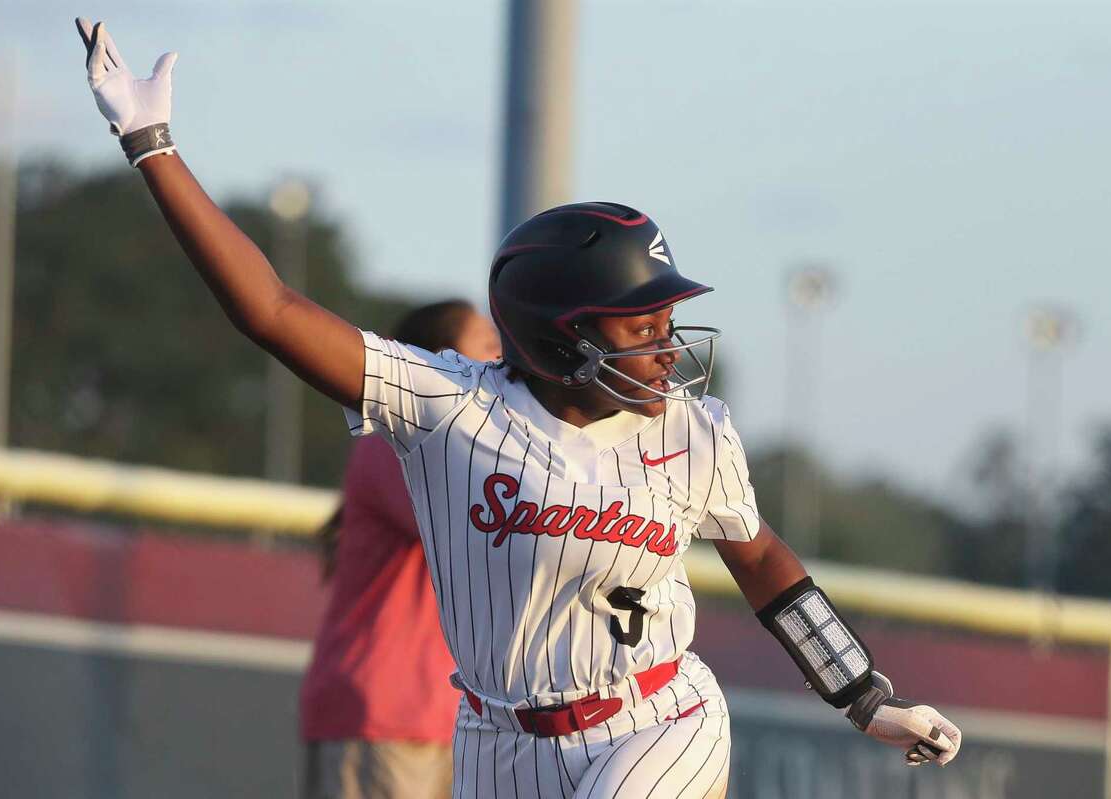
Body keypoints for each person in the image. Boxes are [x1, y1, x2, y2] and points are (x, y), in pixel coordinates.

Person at [74, 19, 961, 798]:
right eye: (643, 324)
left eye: (668, 321)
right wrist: (154, 147)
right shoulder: (450, 408)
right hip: (497, 741)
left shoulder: (694, 433)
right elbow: (272, 311)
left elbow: (760, 555)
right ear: (561, 336)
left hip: (658, 716)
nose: (667, 345)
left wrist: (862, 694)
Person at [301, 301, 501, 799]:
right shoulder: (394, 441)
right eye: (488, 344)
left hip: (447, 720)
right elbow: (468, 526)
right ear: (444, 359)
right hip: (383, 715)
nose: (502, 358)